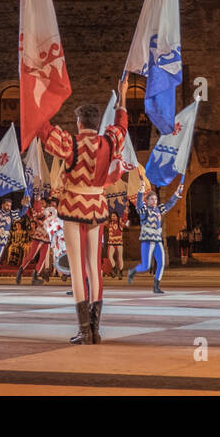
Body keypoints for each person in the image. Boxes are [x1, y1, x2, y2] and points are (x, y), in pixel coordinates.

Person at [35, 86, 132, 345]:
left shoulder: (71, 142)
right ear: (98, 122)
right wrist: (122, 97)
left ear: (79, 123)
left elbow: (44, 131)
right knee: (95, 267)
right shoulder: (108, 141)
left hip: (72, 206)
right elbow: (122, 125)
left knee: (77, 268)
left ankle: (84, 329)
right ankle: (96, 330)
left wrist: (37, 99)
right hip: (98, 205)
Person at [128, 181, 184, 294]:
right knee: (146, 266)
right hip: (147, 240)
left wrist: (177, 193)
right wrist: (141, 191)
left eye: (155, 199)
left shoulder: (158, 210)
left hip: (157, 240)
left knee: (161, 263)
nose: (154, 201)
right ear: (147, 201)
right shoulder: (144, 211)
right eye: (152, 199)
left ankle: (156, 286)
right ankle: (133, 271)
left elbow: (169, 204)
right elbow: (138, 204)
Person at [0, 196, 25, 286]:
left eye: (10, 206)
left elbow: (21, 213)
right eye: (7, 205)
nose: (8, 207)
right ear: (2, 205)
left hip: (3, 239)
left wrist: (25, 205)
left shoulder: (11, 214)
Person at [14, 200, 51, 285]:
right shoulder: (39, 212)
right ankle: (20, 272)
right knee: (31, 256)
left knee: (43, 258)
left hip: (47, 237)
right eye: (41, 203)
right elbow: (38, 217)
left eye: (43, 203)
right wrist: (37, 201)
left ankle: (35, 276)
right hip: (39, 236)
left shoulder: (50, 212)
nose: (42, 205)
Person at [103, 213, 126, 280]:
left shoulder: (120, 222)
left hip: (119, 243)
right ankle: (114, 267)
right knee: (109, 256)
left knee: (120, 258)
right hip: (111, 243)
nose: (113, 217)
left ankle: (120, 273)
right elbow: (103, 223)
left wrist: (126, 223)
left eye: (114, 216)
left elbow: (126, 225)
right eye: (112, 216)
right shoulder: (109, 224)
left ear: (117, 216)